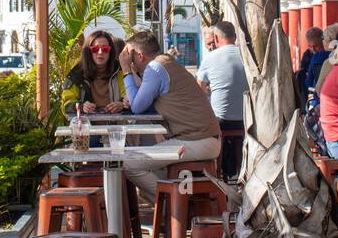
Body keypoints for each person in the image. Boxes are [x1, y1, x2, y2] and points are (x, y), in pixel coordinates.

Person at [118, 31, 221, 198]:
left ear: (139, 55)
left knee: (129, 163)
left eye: (128, 54)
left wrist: (126, 70)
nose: (126, 59)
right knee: (150, 172)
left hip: (196, 140)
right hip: (205, 139)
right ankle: (173, 208)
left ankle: (173, 201)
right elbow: (141, 101)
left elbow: (137, 107)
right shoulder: (167, 63)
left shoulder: (155, 68)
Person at [196, 22, 249, 178]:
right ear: (235, 37)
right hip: (247, 121)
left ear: (217, 38)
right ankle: (240, 173)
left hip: (221, 122)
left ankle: (215, 174)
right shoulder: (247, 56)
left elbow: (200, 90)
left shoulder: (210, 58)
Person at [61, 30, 128, 116]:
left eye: (105, 49)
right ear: (88, 51)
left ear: (110, 51)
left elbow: (131, 98)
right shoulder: (76, 73)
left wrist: (122, 105)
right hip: (86, 126)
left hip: (117, 127)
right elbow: (66, 106)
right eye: (95, 49)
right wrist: (82, 107)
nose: (100, 52)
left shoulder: (120, 70)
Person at [295, 26, 323, 103]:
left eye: (316, 46)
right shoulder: (307, 54)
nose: (313, 49)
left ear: (322, 42)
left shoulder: (326, 54)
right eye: (310, 46)